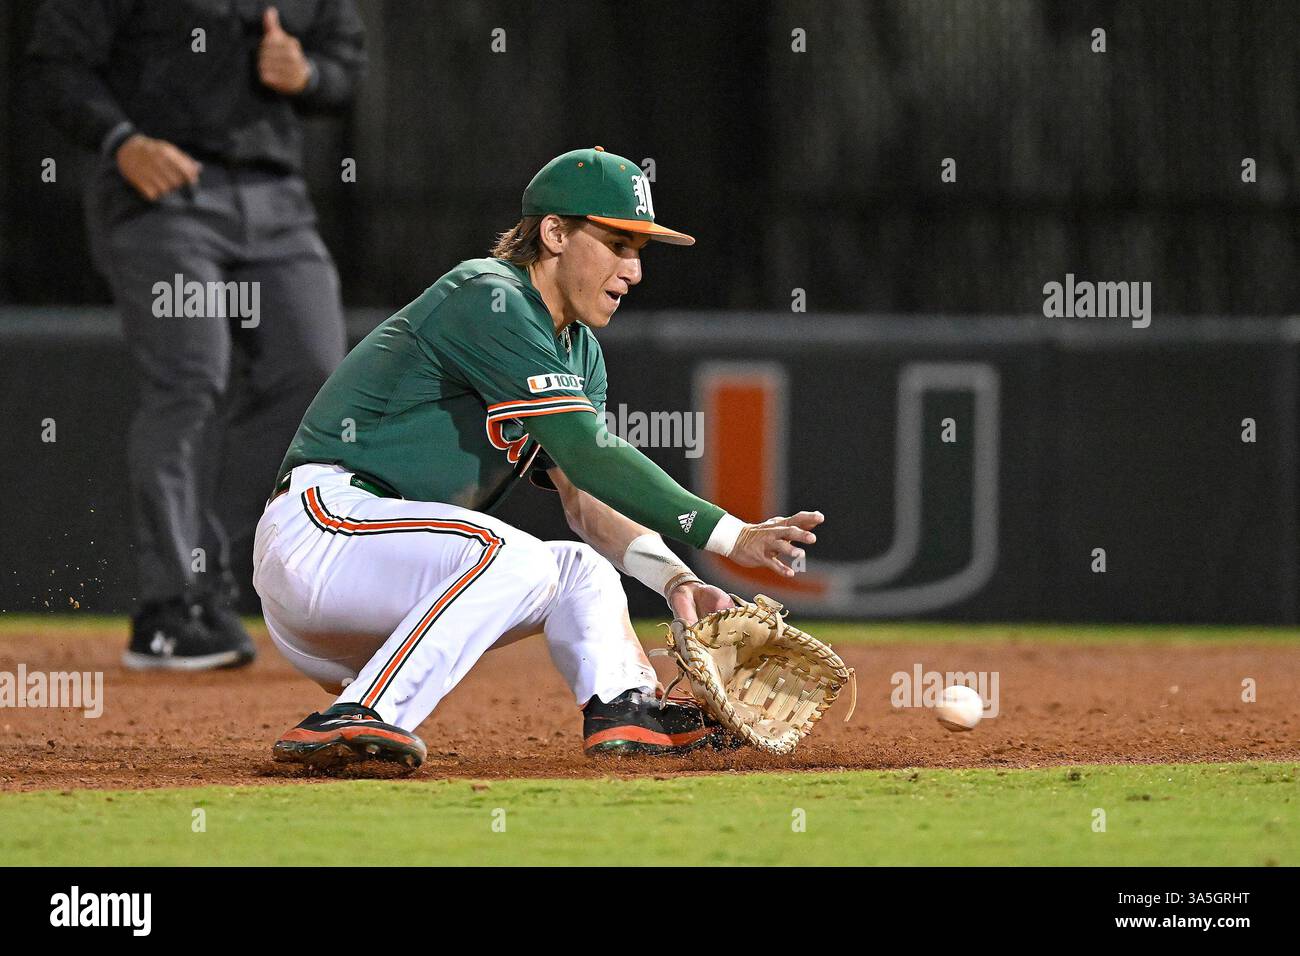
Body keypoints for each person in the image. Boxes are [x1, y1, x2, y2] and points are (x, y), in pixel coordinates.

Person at [256, 147, 823, 769]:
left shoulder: (580, 354)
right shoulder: (487, 295)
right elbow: (588, 453)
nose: (632, 271)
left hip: (392, 596)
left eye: (640, 251)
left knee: (578, 568)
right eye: (617, 243)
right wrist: (730, 534)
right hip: (323, 534)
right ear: (554, 233)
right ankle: (361, 717)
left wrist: (676, 577)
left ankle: (627, 709)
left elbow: (587, 502)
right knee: (516, 558)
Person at [27, 1, 365, 670]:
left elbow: (345, 66)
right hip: (162, 190)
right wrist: (120, 139)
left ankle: (210, 576)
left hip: (276, 196)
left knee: (316, 377)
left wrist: (308, 76)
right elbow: (55, 65)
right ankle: (169, 607)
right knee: (190, 379)